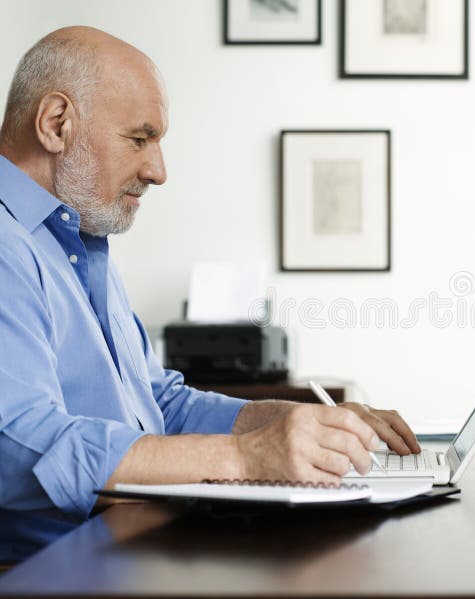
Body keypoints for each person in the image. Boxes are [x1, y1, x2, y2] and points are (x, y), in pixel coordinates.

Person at [0, 26, 420, 562]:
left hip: (132, 545)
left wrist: (288, 425)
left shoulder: (77, 243)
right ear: (56, 124)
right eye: (139, 138)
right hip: (53, 571)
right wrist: (245, 460)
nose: (158, 170)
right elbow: (15, 449)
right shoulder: (7, 248)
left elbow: (159, 405)